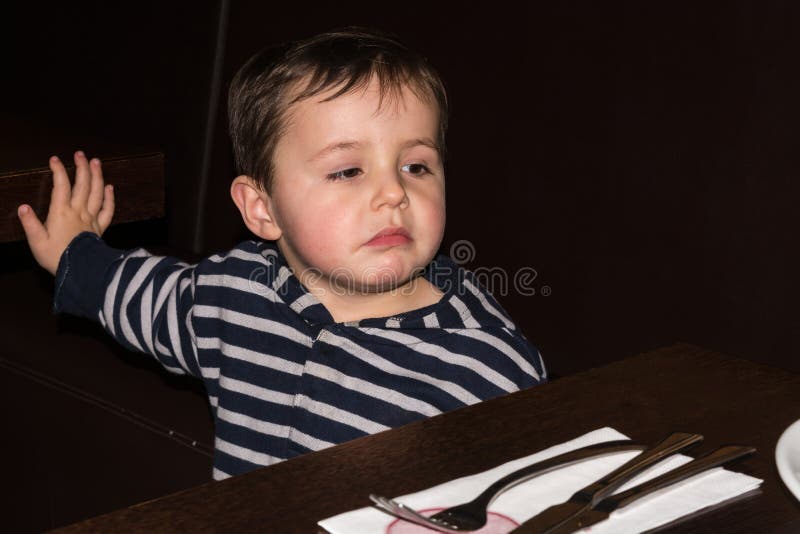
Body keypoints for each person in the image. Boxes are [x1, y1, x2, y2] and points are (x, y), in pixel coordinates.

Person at [17, 27, 546, 480]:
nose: (394, 193)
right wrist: (72, 250)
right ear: (262, 209)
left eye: (416, 166)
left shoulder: (484, 364)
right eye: (347, 170)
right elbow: (143, 297)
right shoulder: (231, 295)